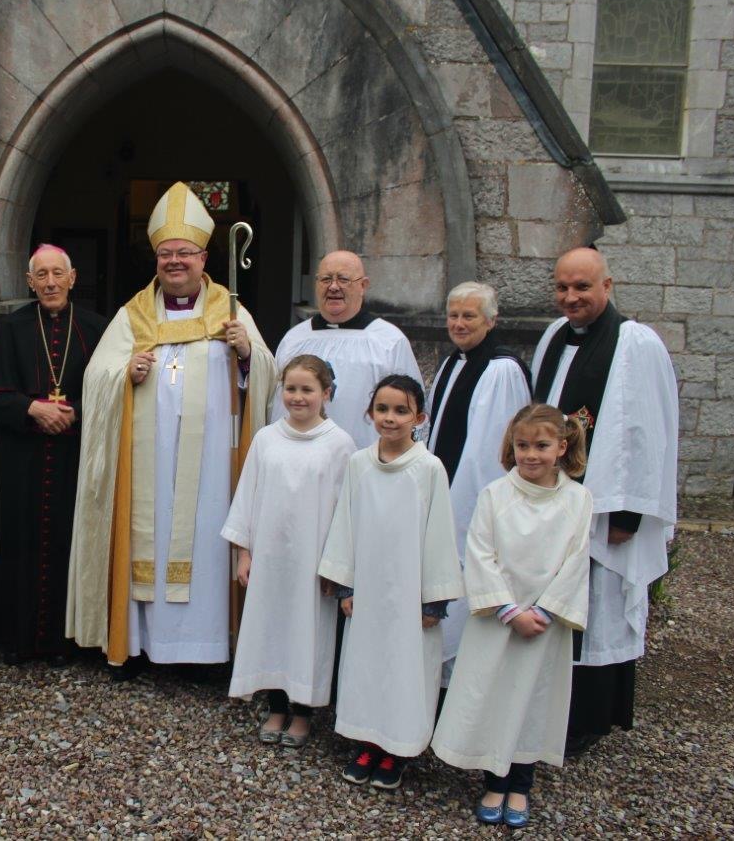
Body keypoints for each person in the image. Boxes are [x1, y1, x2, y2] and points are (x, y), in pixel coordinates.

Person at [67, 181, 277, 677]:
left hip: (213, 469)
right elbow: (95, 380)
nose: (175, 262)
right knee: (150, 541)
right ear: (155, 259)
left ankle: (211, 651)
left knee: (209, 544)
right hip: (150, 461)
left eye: (185, 253)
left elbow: (268, 375)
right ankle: (142, 644)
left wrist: (247, 353)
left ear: (205, 258)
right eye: (166, 254)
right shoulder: (132, 315)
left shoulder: (231, 310)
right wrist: (125, 375)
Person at [530, 247, 678, 752]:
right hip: (554, 501)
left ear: (607, 286)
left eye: (582, 288)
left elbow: (641, 433)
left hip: (605, 508)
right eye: (563, 288)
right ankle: (548, 704)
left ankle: (588, 719)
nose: (571, 298)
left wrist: (627, 515)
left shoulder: (636, 344)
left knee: (596, 606)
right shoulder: (553, 336)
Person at [432, 404, 592, 829]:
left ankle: (521, 784)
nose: (531, 455)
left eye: (541, 445)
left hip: (543, 623)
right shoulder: (495, 495)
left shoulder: (578, 500)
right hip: (499, 618)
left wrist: (542, 610)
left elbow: (577, 559)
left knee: (532, 699)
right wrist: (508, 609)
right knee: (495, 696)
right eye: (522, 445)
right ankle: (494, 780)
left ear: (562, 446)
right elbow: (479, 552)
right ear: (511, 446)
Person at [318, 375, 462, 790]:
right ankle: (365, 742)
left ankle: (395, 750)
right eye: (382, 409)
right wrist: (346, 586)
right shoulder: (360, 464)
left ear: (419, 416)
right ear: (369, 413)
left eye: (401, 410)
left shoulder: (429, 468)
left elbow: (439, 532)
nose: (390, 418)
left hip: (410, 593)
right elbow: (346, 522)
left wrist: (434, 601)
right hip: (367, 590)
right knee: (366, 665)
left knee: (403, 667)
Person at [0, 244, 107, 665]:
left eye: (58, 274)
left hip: (74, 460)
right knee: (20, 545)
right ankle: (18, 640)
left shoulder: (96, 328)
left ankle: (63, 642)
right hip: (21, 461)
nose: (50, 282)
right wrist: (32, 408)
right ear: (29, 280)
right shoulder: (11, 329)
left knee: (68, 545)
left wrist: (75, 414)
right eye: (42, 275)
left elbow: (113, 394)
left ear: (73, 278)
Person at [223, 355, 355, 748]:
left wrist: (337, 566)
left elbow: (347, 510)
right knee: (270, 628)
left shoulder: (340, 444)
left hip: (312, 560)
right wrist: (244, 553)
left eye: (307, 390)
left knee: (306, 632)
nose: (298, 397)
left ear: (326, 394)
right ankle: (275, 704)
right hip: (270, 556)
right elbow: (247, 496)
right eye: (291, 389)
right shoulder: (266, 438)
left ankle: (303, 712)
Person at [425, 282, 532, 683]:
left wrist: (454, 511)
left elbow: (486, 456)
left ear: (491, 320)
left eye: (469, 315)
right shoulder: (456, 361)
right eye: (453, 315)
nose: (458, 323)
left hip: (468, 507)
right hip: (443, 495)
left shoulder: (499, 370)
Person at [271, 250, 422, 449]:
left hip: (364, 462)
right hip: (297, 460)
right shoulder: (295, 339)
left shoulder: (388, 341)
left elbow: (411, 408)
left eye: (343, 279)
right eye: (326, 279)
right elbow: (275, 403)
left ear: (363, 285)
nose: (333, 287)